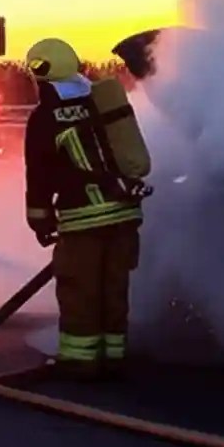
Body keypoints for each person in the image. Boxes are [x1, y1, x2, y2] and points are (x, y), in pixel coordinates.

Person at [23, 38, 145, 380]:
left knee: (81, 292)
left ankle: (80, 362)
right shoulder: (101, 101)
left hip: (83, 220)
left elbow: (40, 176)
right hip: (125, 216)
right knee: (114, 289)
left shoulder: (45, 118)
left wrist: (39, 220)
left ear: (40, 74)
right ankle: (114, 357)